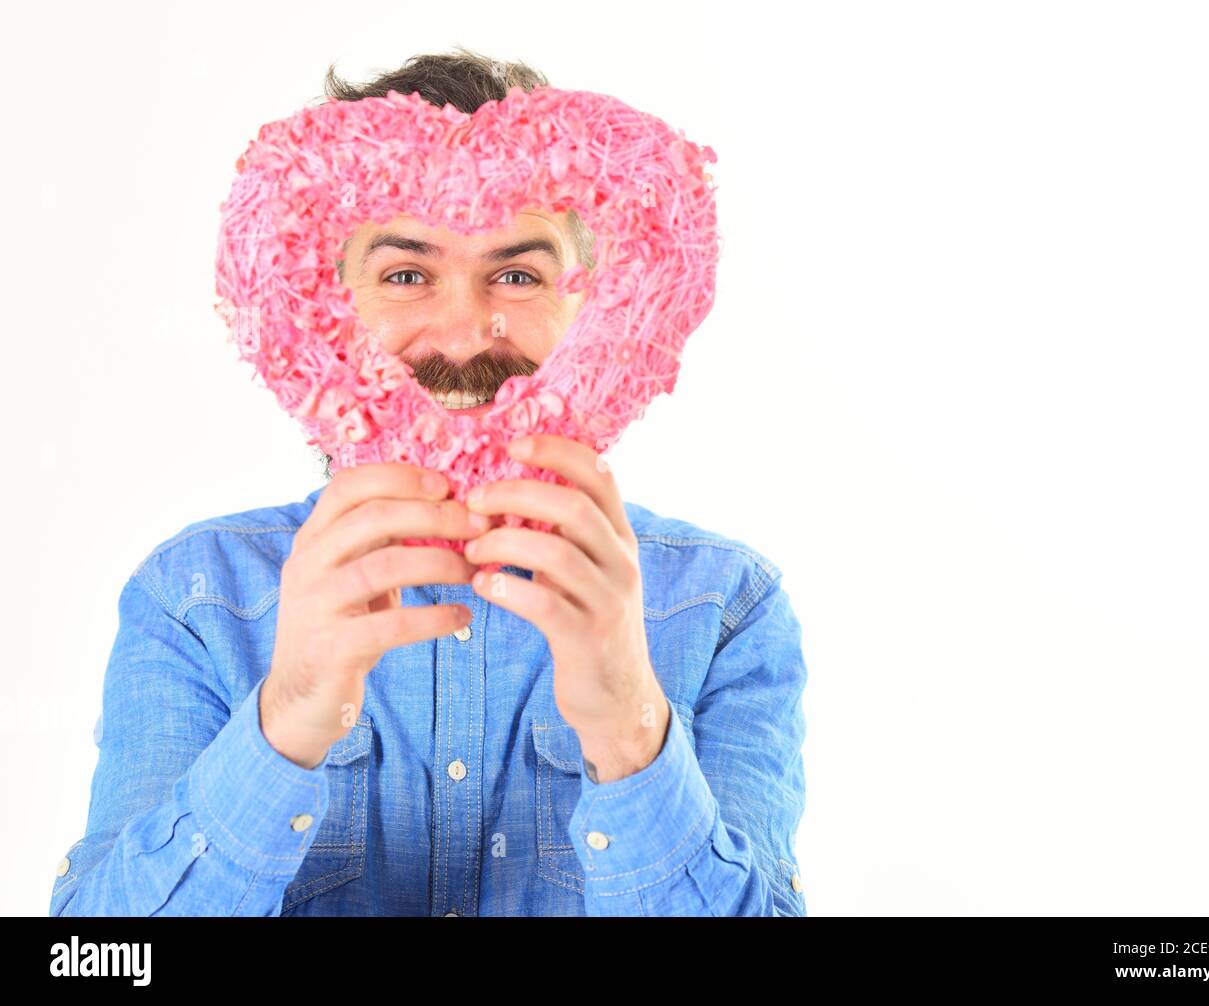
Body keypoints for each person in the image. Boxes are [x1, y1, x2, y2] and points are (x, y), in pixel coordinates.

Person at [50, 46, 808, 917]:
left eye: (518, 274)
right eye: (406, 275)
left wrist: (629, 726)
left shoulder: (725, 609)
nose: (461, 333)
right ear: (325, 307)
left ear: (594, 306)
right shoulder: (194, 598)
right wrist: (286, 721)